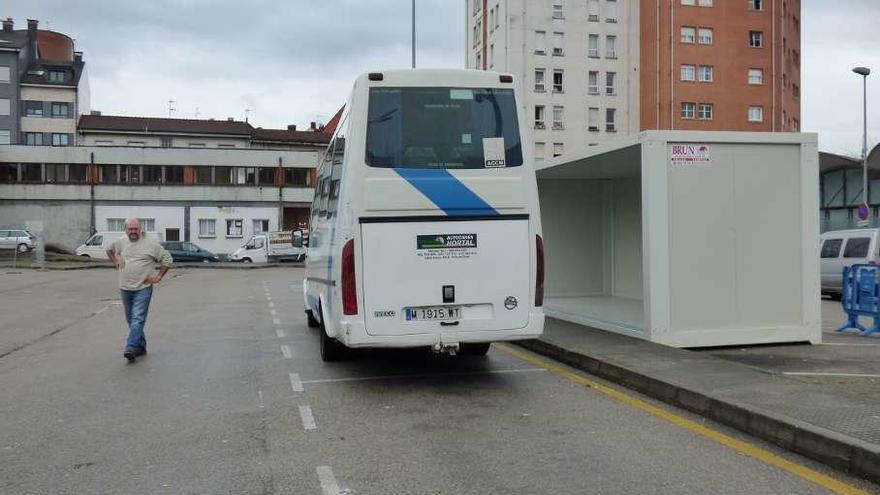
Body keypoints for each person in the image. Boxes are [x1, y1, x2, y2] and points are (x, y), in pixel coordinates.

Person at [105, 218, 173, 363]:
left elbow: (167, 259)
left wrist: (159, 276)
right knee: (131, 320)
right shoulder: (121, 241)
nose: (133, 232)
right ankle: (141, 347)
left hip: (143, 287)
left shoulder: (151, 244)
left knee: (137, 319)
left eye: (136, 229)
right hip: (124, 288)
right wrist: (116, 261)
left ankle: (130, 347)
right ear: (125, 230)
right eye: (130, 229)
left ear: (140, 229)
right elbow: (109, 250)